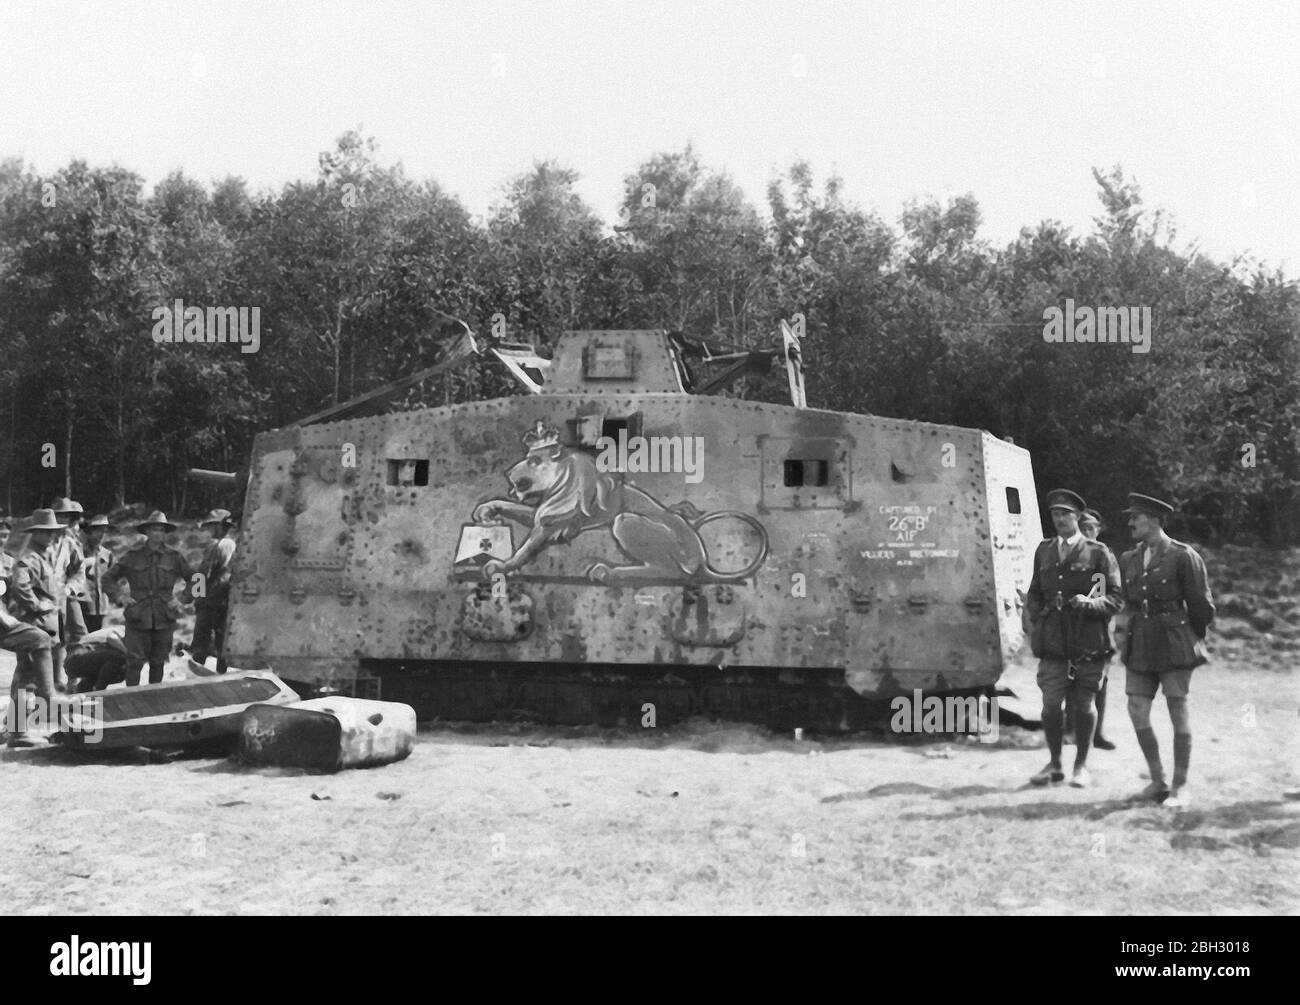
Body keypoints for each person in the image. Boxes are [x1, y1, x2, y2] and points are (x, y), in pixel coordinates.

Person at [1119, 493, 1215, 809]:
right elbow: (1129, 603)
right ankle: (1158, 781)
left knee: (1177, 710)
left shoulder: (1183, 556)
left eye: (1137, 517)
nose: (1131, 522)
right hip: (1141, 643)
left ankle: (1180, 786)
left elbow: (1201, 605)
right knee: (1136, 708)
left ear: (1156, 520)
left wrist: (1191, 638)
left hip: (1175, 641)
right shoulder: (1129, 558)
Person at [1024, 489, 1124, 788]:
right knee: (1051, 706)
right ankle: (1055, 764)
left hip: (1088, 641)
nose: (1059, 519)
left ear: (1077, 517)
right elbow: (1034, 592)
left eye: (1065, 514)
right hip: (1053, 643)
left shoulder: (1097, 553)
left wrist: (1092, 604)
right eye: (1055, 514)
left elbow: (1116, 598)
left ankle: (1081, 766)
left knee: (1084, 705)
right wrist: (1039, 616)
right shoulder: (1044, 551)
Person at [105, 511, 195, 686]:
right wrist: (120, 596)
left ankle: (153, 698)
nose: (158, 533)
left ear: (165, 533)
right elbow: (107, 578)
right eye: (154, 529)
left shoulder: (174, 557)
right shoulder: (132, 556)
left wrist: (182, 599)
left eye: (161, 529)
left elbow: (198, 580)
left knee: (158, 661)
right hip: (138, 617)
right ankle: (130, 699)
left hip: (164, 617)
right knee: (134, 662)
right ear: (147, 532)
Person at [3, 509, 65, 746]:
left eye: (52, 533)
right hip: (34, 623)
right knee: (26, 678)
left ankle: (15, 729)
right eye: (44, 532)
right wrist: (37, 606)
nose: (50, 537)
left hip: (47, 625)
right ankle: (18, 733)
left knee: (29, 678)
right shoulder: (28, 560)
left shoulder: (43, 558)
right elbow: (20, 588)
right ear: (35, 533)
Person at [1067, 508, 1118, 751]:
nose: (1087, 532)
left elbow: (1116, 595)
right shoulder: (1069, 554)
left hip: (1099, 626)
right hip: (1072, 626)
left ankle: (1097, 733)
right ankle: (1070, 730)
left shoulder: (1106, 556)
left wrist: (1095, 604)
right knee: (1069, 676)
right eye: (1082, 527)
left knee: (1100, 680)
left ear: (1099, 529)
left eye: (1091, 528)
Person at [48, 497, 89, 691]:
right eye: (59, 516)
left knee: (79, 634)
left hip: (65, 595)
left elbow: (79, 571)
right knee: (50, 640)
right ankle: (53, 682)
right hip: (43, 597)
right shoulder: (40, 540)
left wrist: (70, 587)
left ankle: (75, 678)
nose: (63, 520)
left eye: (67, 517)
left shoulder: (70, 543)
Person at [190, 509, 235, 674]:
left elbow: (202, 574)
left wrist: (193, 596)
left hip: (209, 601)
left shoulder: (215, 545)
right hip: (226, 601)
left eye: (211, 526)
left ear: (218, 527)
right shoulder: (235, 545)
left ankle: (195, 679)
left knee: (200, 644)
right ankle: (221, 677)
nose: (208, 531)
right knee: (222, 645)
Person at [64, 625, 129, 693]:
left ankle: (83, 690)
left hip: (77, 660)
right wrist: (128, 654)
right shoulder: (123, 630)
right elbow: (111, 637)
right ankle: (98, 692)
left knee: (119, 666)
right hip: (78, 655)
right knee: (119, 658)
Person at [79, 515, 115, 633]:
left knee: (98, 640)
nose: (101, 534)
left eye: (104, 531)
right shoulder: (79, 552)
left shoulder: (107, 555)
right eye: (98, 530)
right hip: (83, 606)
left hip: (102, 607)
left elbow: (115, 578)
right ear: (90, 532)